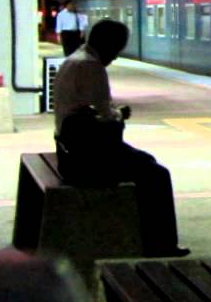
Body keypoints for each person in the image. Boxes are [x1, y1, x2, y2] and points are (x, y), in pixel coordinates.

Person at [54, 19, 188, 258]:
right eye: (116, 49)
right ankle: (160, 244)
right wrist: (120, 114)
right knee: (157, 175)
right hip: (86, 158)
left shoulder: (74, 59)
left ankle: (151, 237)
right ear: (107, 45)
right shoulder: (91, 66)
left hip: (69, 149)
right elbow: (106, 114)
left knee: (147, 162)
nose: (116, 57)